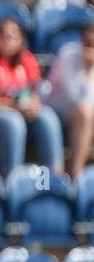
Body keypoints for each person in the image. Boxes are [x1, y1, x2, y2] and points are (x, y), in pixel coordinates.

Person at [0, 14, 62, 174]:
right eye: (3, 35)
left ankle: (53, 177)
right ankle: (13, 178)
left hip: (22, 111)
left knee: (47, 117)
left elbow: (35, 91)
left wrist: (33, 104)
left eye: (13, 36)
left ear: (21, 39)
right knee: (13, 121)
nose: (8, 39)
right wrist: (14, 106)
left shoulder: (27, 59)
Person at [43, 17, 94, 177]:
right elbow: (76, 97)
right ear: (82, 38)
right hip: (56, 111)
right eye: (88, 41)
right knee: (85, 113)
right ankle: (76, 176)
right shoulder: (68, 53)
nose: (91, 45)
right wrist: (89, 68)